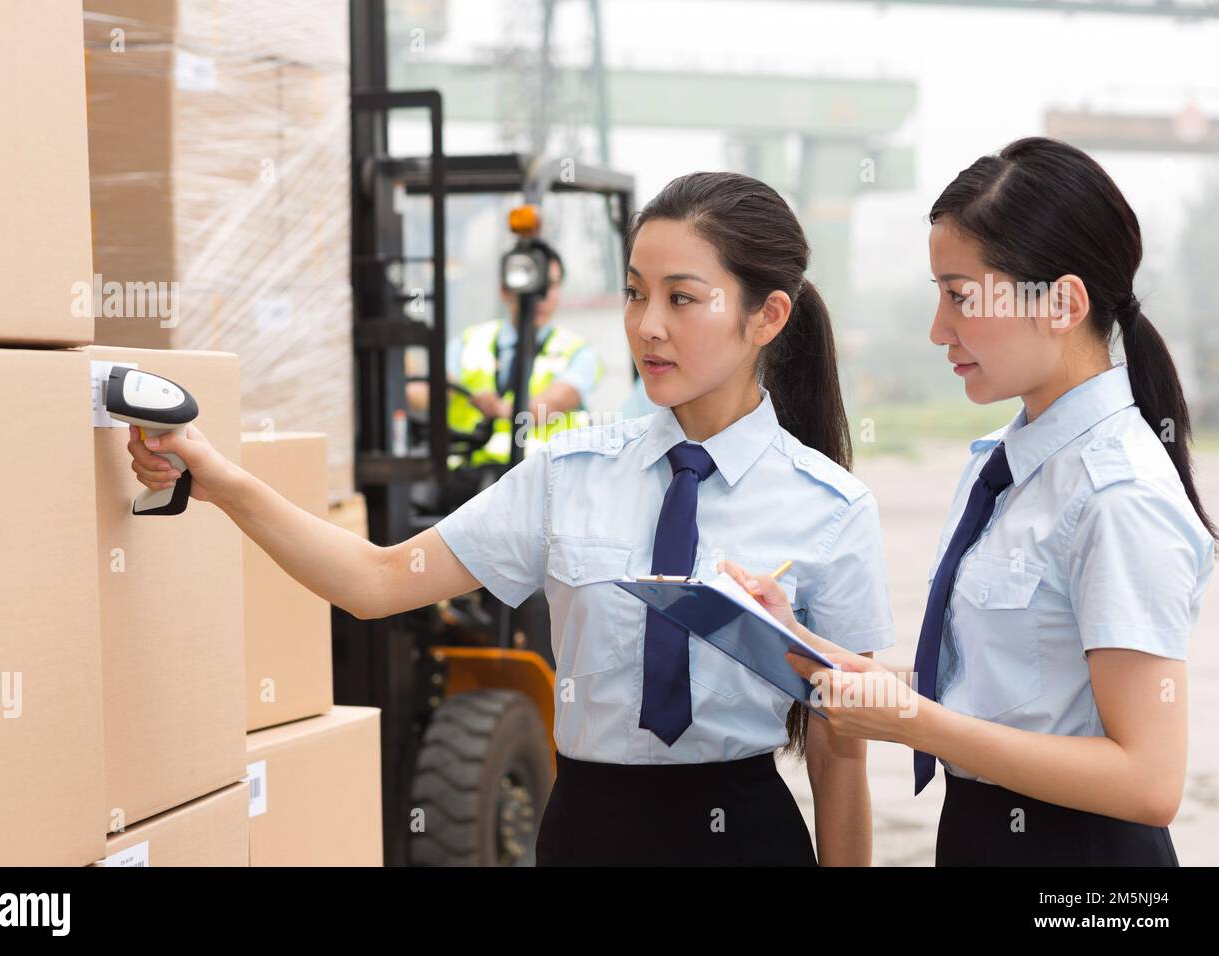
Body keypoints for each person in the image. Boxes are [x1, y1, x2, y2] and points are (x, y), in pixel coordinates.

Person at [123, 171, 895, 866]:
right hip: (586, 835)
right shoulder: (569, 474)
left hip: (744, 841)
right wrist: (221, 480)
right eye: (634, 293)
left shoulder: (831, 510)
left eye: (681, 298)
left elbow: (840, 753)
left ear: (768, 317)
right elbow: (374, 580)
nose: (646, 325)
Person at [730, 137, 1216, 866]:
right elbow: (993, 693)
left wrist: (917, 725)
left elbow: (1147, 782)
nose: (937, 330)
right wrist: (804, 644)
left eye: (959, 295)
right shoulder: (1003, 465)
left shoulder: (1118, 495)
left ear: (1063, 303)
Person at [406, 238, 604, 467]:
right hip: (470, 477)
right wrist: (398, 362)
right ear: (504, 290)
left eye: (549, 286)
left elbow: (548, 406)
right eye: (532, 285)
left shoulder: (577, 352)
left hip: (546, 478)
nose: (540, 297)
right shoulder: (469, 342)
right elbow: (428, 396)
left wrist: (498, 409)